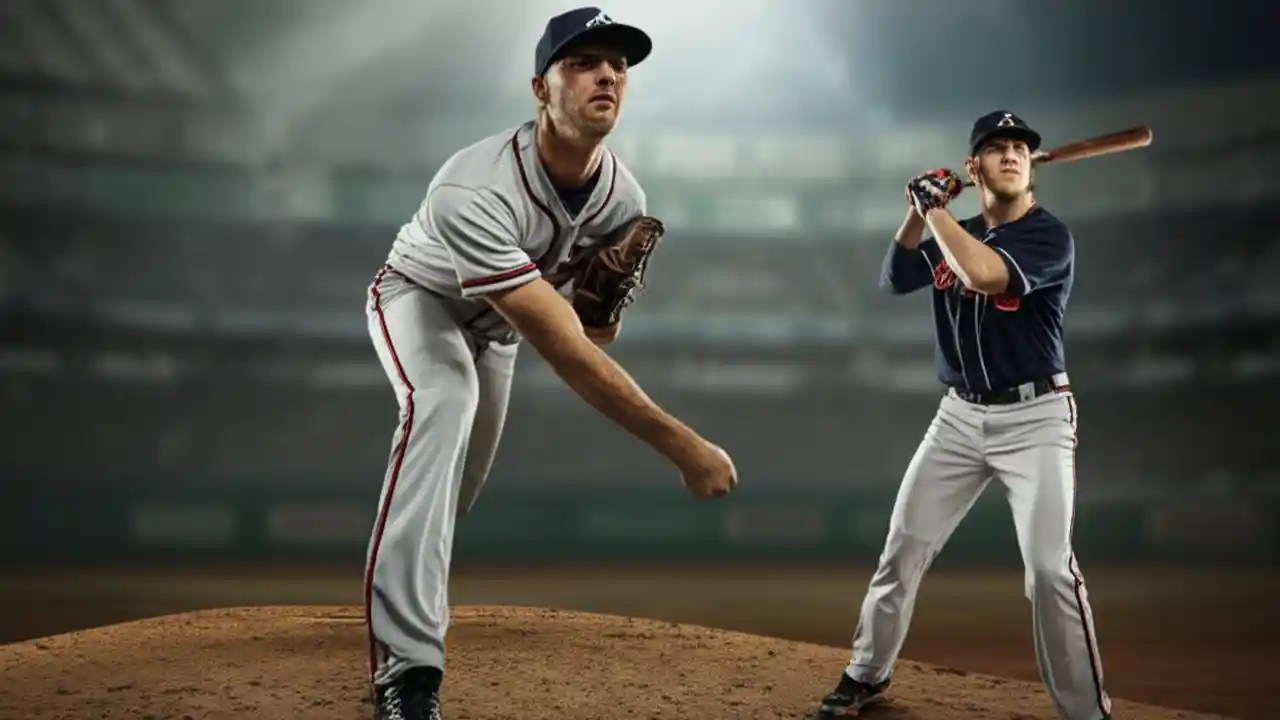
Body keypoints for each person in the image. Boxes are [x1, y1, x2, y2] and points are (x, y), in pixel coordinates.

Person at [362, 8, 738, 719]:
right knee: (442, 405)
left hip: (498, 334)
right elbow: (563, 350)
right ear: (540, 87)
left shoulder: (625, 197)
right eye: (583, 62)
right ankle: (407, 673)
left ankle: (403, 596)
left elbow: (591, 334)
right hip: (419, 298)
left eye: (619, 66)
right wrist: (683, 445)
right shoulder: (473, 187)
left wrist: (603, 306)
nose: (606, 75)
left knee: (455, 494)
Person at [814, 111, 1112, 720]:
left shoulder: (1048, 237)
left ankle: (1088, 713)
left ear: (1030, 166)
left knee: (1051, 572)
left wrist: (934, 211)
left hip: (1037, 418)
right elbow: (894, 277)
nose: (1011, 154)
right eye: (996, 147)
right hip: (957, 418)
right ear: (975, 166)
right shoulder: (962, 226)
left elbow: (981, 273)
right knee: (903, 548)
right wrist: (913, 212)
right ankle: (866, 674)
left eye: (1020, 148)